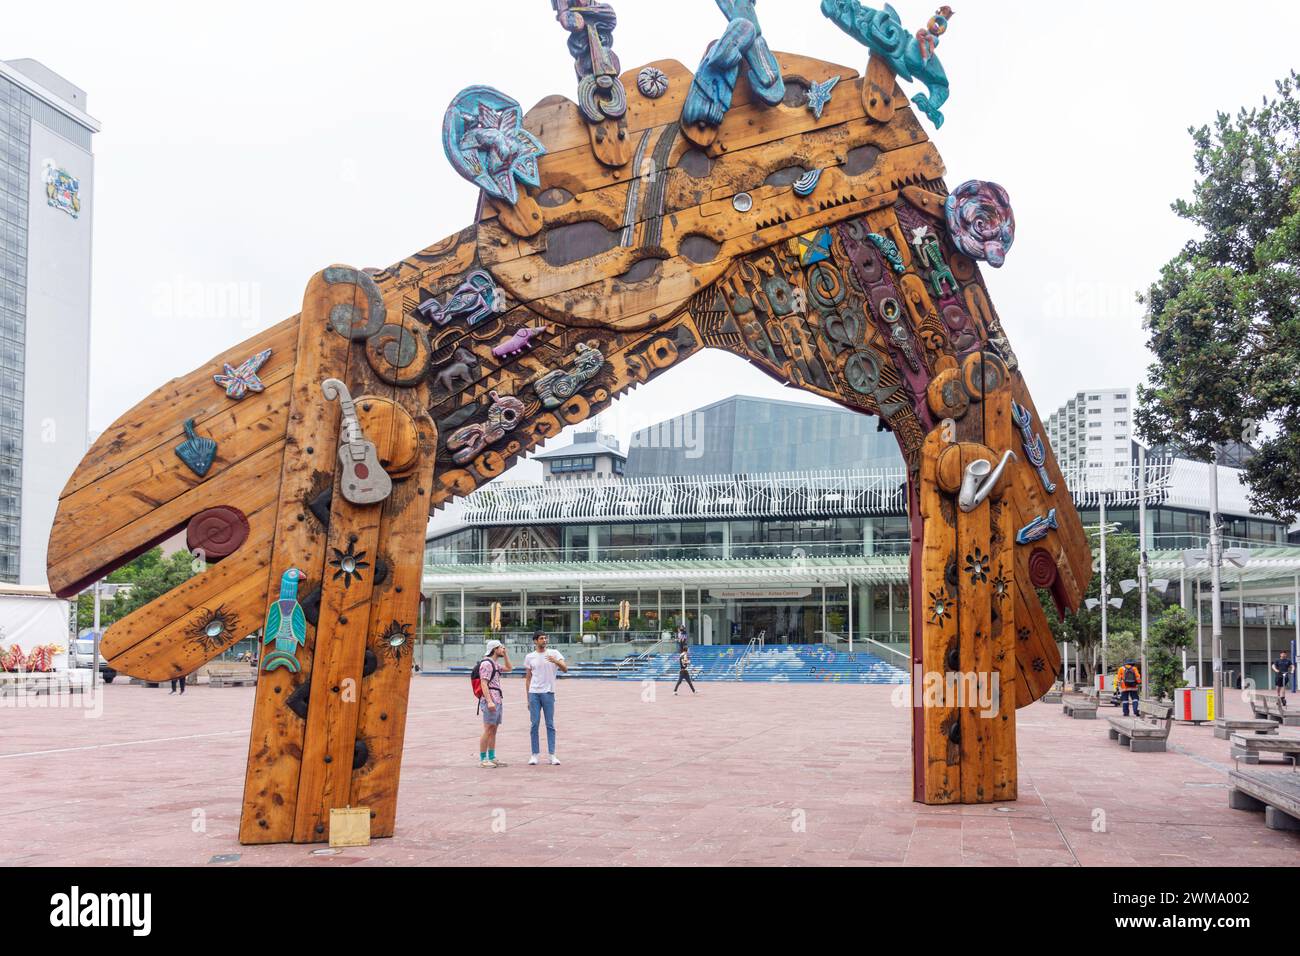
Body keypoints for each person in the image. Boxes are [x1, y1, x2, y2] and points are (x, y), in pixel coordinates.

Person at [524, 630, 568, 765]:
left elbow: (565, 669)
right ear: (535, 641)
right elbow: (528, 678)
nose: (544, 640)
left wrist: (556, 661)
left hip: (548, 692)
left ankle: (552, 754)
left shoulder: (554, 653)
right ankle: (534, 754)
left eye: (545, 638)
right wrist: (528, 698)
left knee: (550, 724)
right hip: (534, 693)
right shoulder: (530, 657)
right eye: (541, 638)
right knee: (534, 724)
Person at [476, 639, 512, 768]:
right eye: (501, 648)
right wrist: (489, 701)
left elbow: (509, 668)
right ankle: (483, 759)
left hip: (497, 699)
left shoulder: (495, 664)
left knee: (494, 729)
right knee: (488, 729)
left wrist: (506, 654)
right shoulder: (486, 664)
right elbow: (483, 683)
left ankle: (492, 757)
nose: (503, 649)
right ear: (494, 649)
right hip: (490, 700)